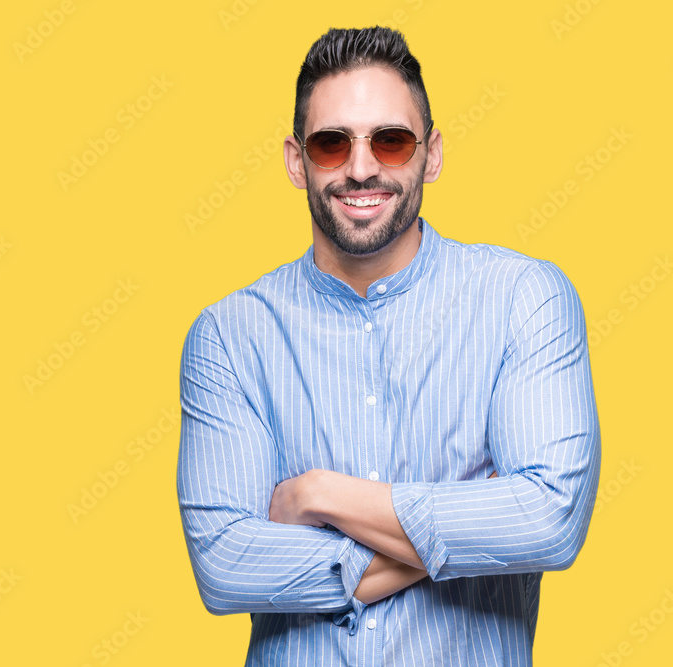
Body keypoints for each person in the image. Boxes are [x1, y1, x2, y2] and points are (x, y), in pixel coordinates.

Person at [176, 26, 600, 666]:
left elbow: (549, 520)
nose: (362, 166)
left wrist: (319, 495)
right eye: (331, 143)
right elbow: (227, 567)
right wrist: (465, 529)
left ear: (430, 154)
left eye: (391, 140)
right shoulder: (230, 337)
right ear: (297, 161)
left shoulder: (523, 300)